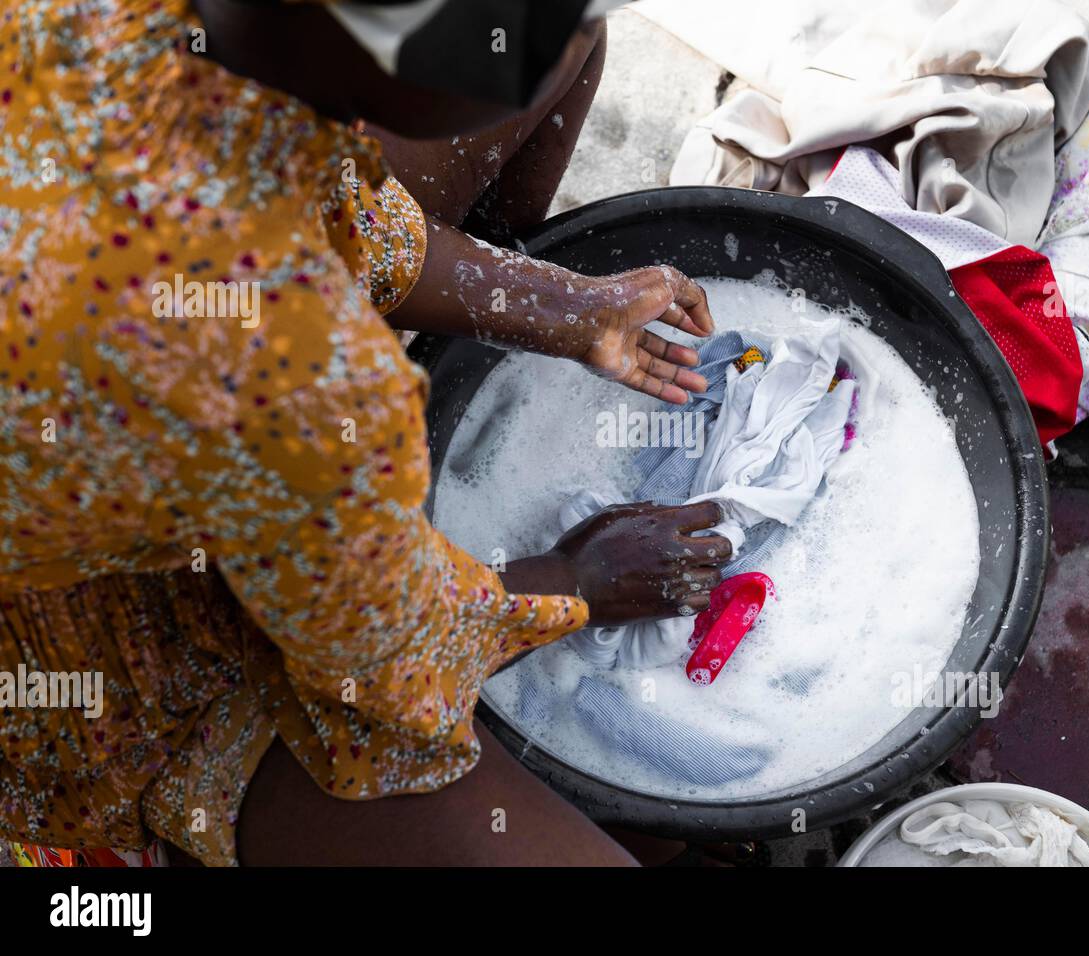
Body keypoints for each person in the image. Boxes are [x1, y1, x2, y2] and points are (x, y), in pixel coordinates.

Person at [0, 0, 730, 866]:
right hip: (85, 670)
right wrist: (579, 579)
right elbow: (399, 656)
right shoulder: (290, 373)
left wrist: (570, 309)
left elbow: (327, 206)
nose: (561, 31)